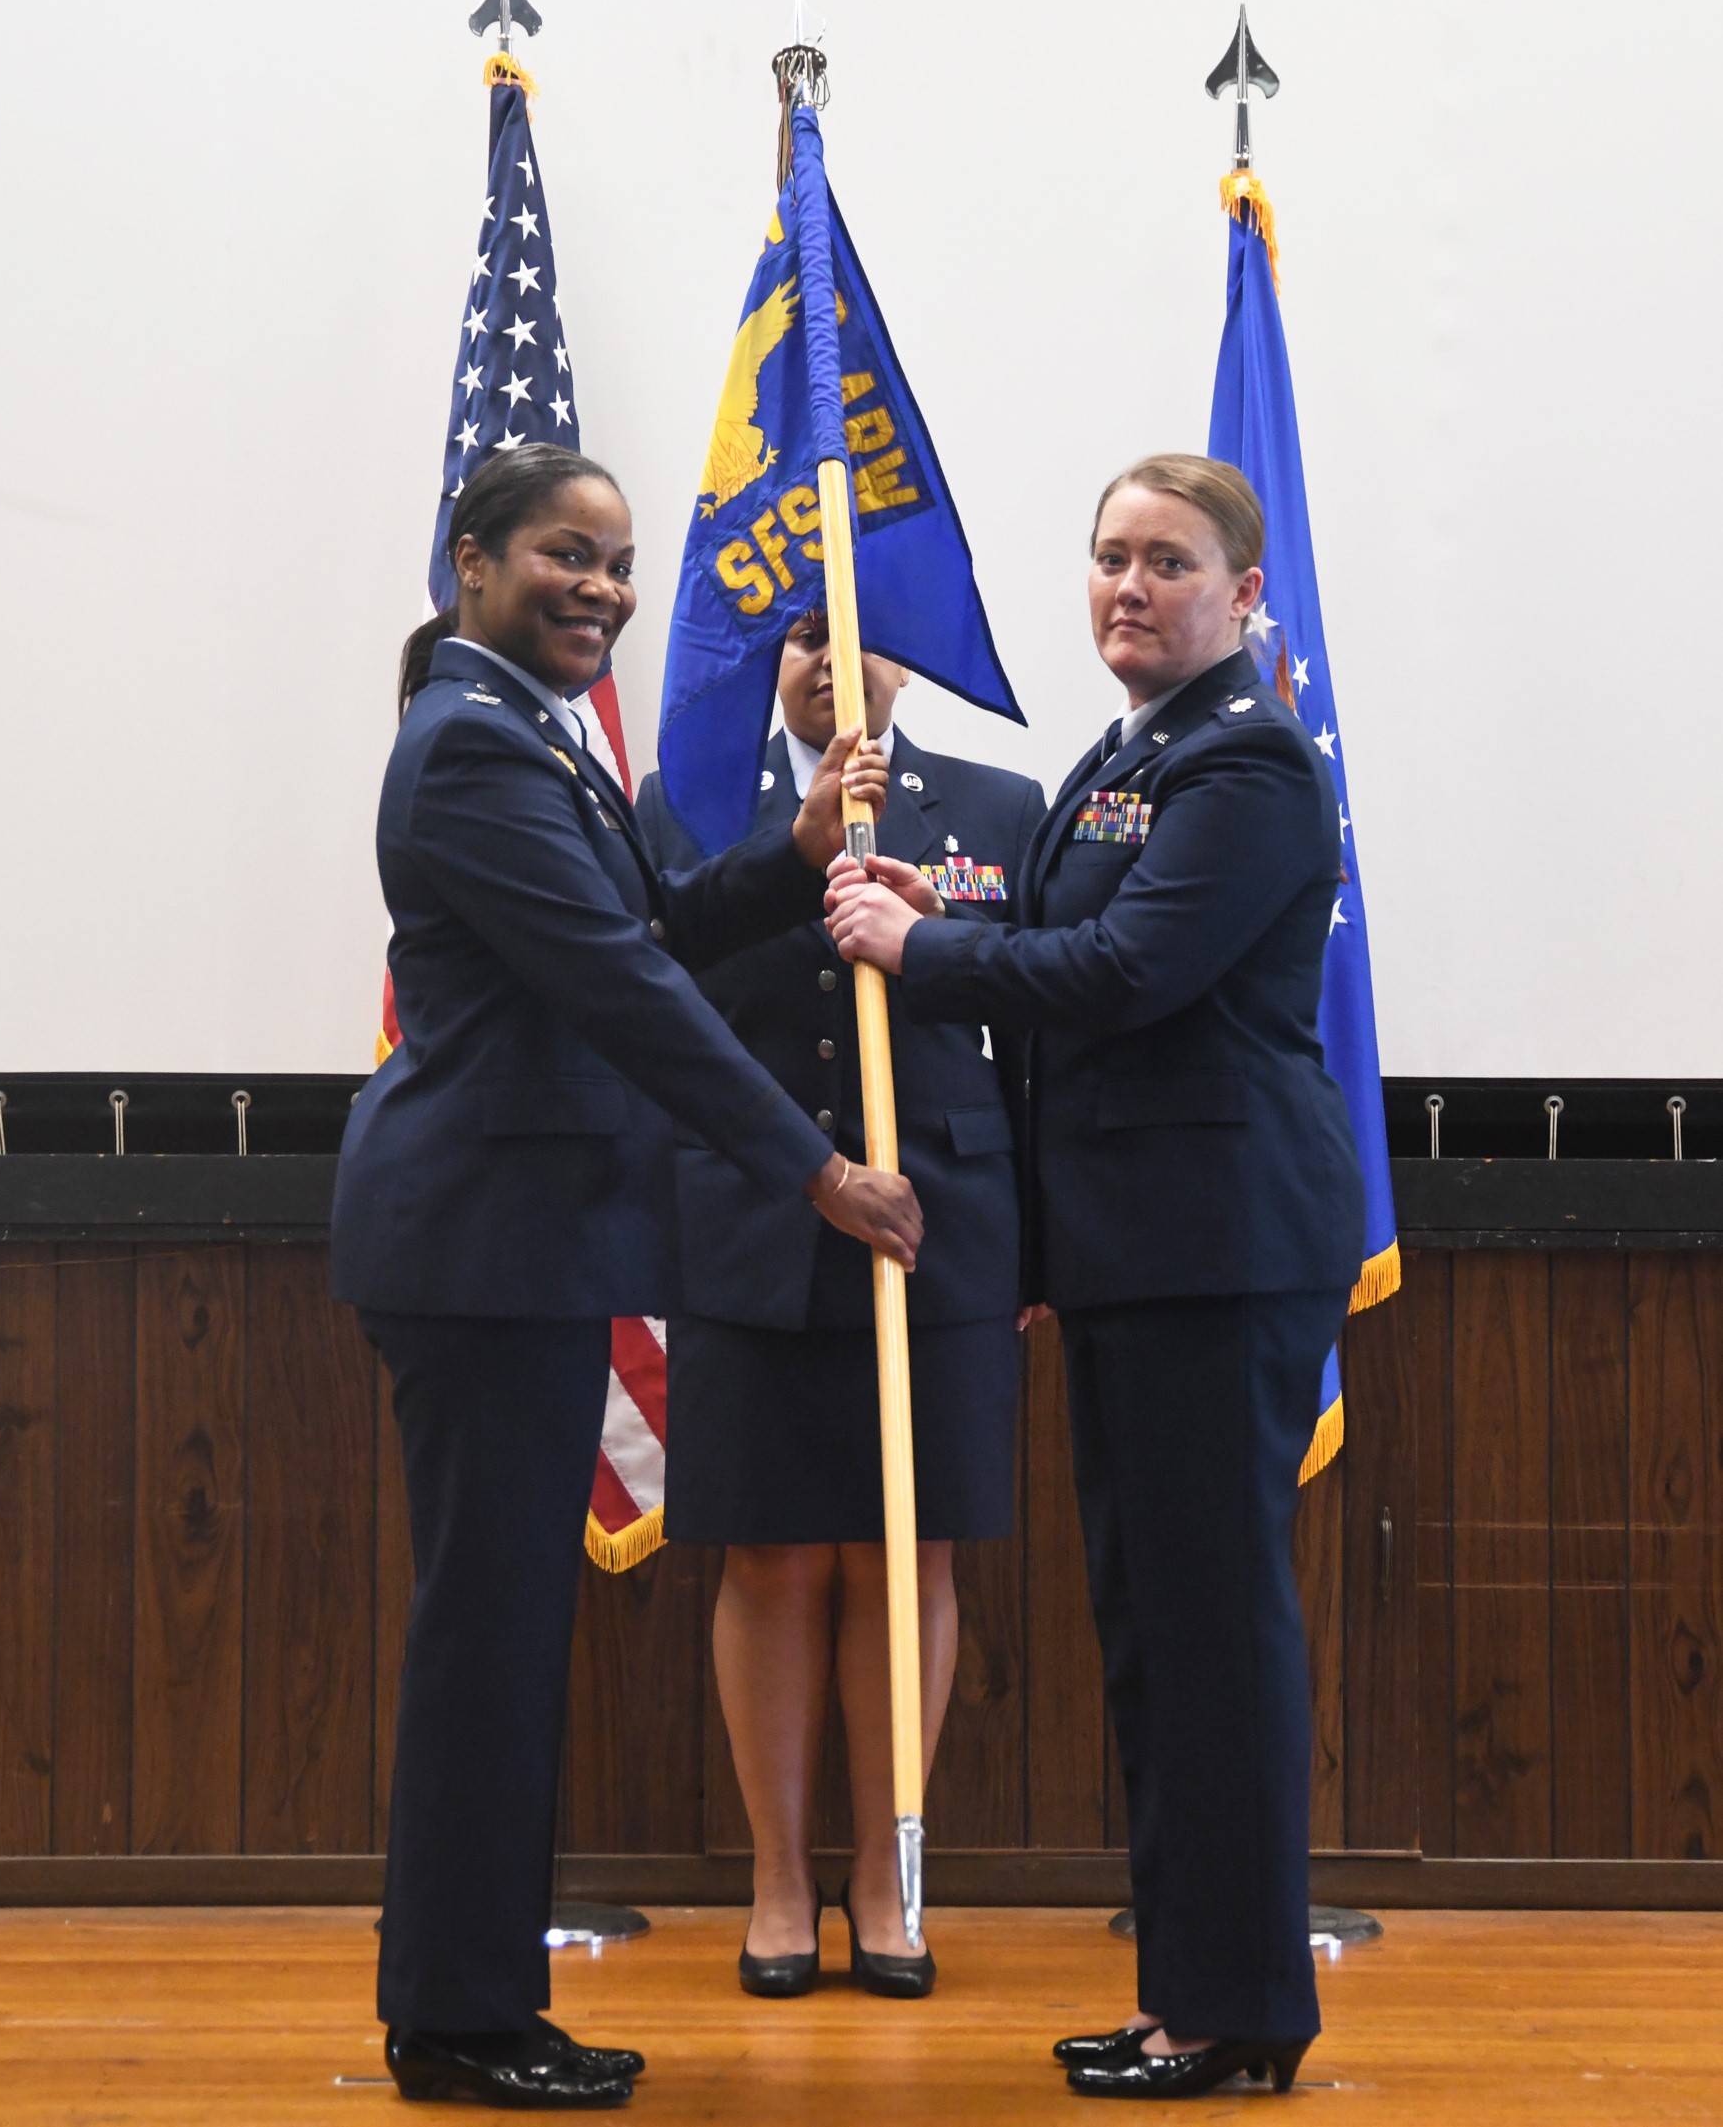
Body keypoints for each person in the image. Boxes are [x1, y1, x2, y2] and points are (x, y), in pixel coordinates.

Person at [330, 444, 922, 2111]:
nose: (600, 587)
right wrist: (811, 1169)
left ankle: (474, 1996)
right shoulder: (467, 746)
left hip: (518, 1239)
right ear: (470, 563)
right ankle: (455, 2015)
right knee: (488, 1639)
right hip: (479, 1242)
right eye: (561, 556)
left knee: (506, 1635)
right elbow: (623, 991)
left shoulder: (524, 734)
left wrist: (797, 853)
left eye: (617, 560)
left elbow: (651, 923)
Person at [825, 455, 1364, 2100]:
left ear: (1243, 596)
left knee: (1212, 1635)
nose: (1128, 587)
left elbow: (1128, 971)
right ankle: (1183, 1993)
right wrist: (944, 905)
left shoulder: (1251, 762)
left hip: (1220, 1245)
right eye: (1108, 558)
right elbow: (1063, 935)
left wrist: (926, 952)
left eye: (1169, 562)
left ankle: (1238, 2010)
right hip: (1139, 1254)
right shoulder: (1121, 758)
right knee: (1154, 1630)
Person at [637, 608, 1044, 1999]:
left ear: (903, 651)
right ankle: (775, 1879)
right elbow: (654, 986)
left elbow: (1036, 1034)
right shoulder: (686, 804)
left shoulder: (996, 804)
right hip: (751, 1217)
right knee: (770, 1557)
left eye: (855, 632)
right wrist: (791, 852)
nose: (828, 661)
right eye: (799, 635)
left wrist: (1035, 1246)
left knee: (904, 1553)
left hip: (938, 1228)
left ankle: (886, 1874)